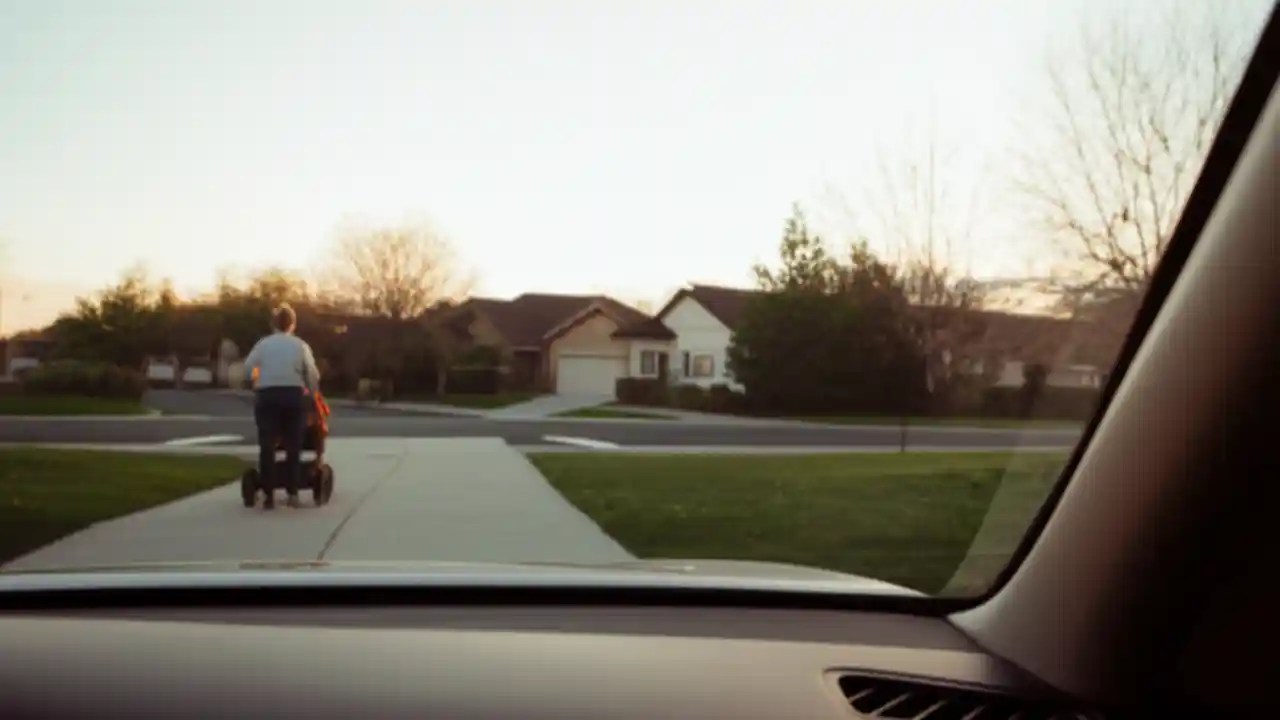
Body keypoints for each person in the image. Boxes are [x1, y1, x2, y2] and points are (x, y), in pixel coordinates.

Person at [242, 304, 320, 510]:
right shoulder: (300, 346)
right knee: (293, 445)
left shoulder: (263, 345)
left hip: (267, 395)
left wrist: (257, 381)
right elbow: (311, 373)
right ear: (293, 324)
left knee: (267, 445)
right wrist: (312, 394)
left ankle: (268, 495)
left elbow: (249, 368)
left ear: (273, 324)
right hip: (293, 396)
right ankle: (292, 494)